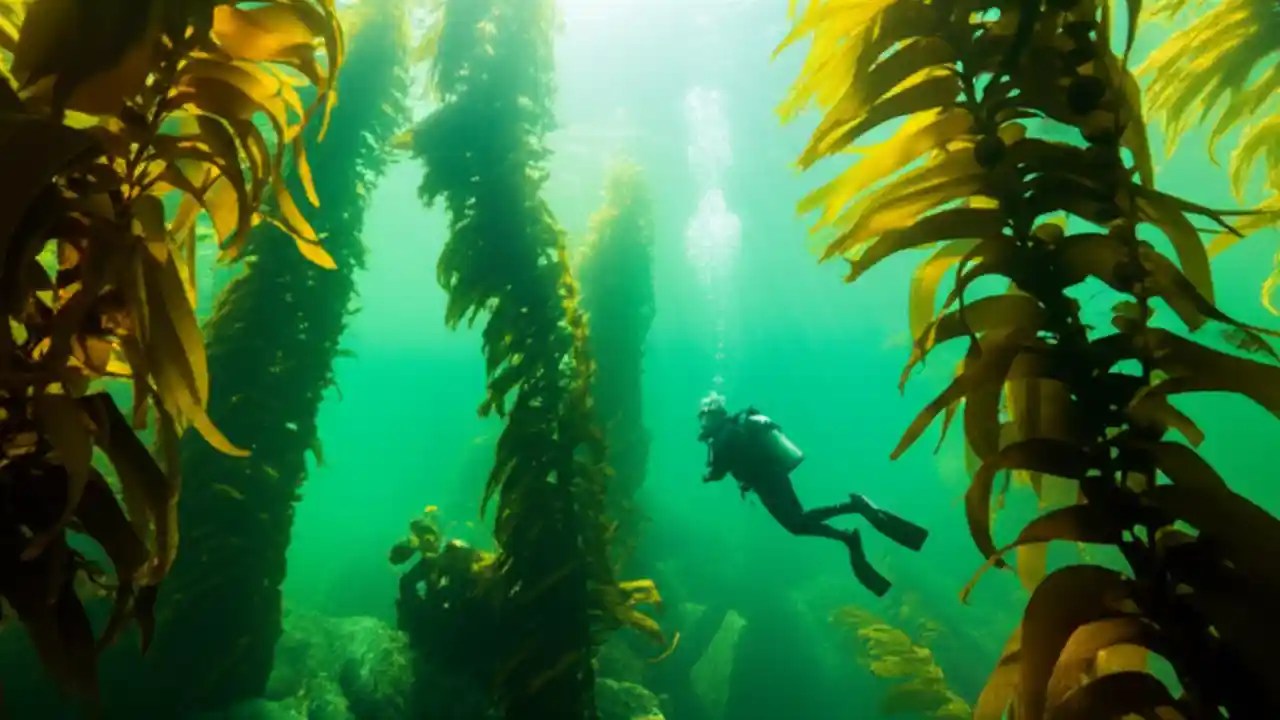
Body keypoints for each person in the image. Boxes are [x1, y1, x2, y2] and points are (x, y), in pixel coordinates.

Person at [696, 391, 928, 596]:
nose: (703, 421)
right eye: (702, 417)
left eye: (705, 416)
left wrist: (706, 476)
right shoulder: (732, 429)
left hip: (767, 482)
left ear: (716, 415)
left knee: (796, 524)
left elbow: (717, 472)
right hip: (772, 477)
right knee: (798, 523)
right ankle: (847, 530)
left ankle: (851, 516)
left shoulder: (723, 437)